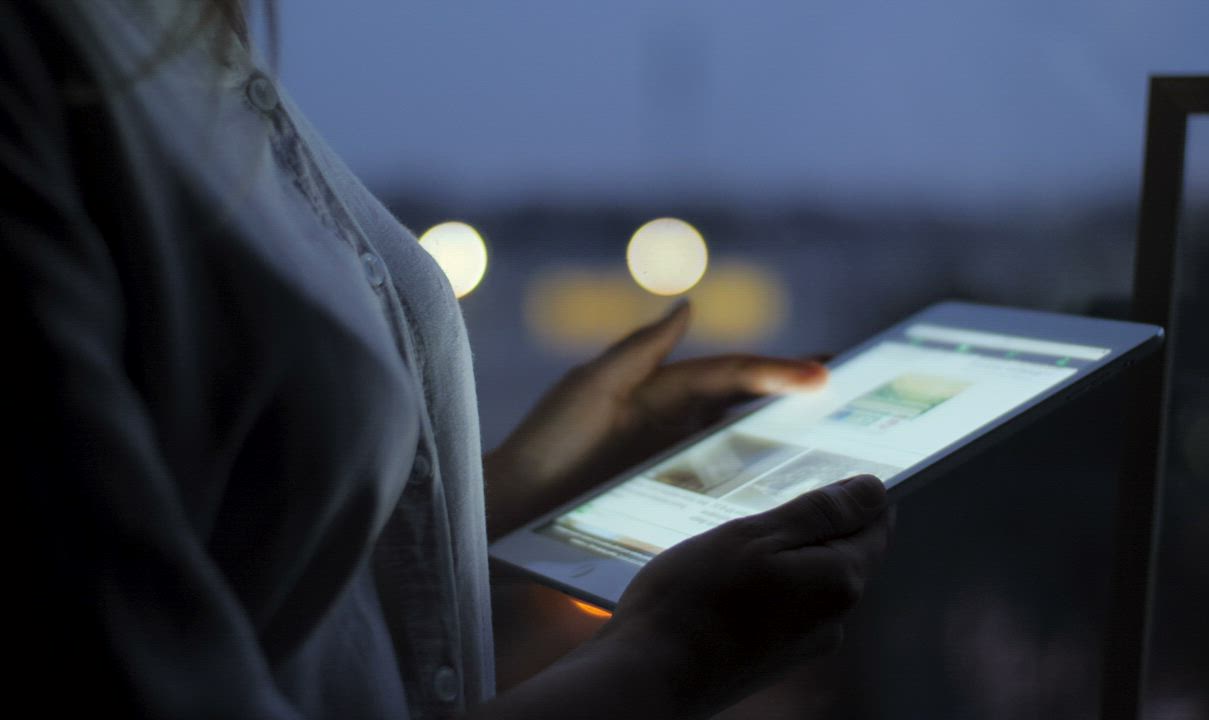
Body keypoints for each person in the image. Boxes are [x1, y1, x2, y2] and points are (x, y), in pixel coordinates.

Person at [4, 1, 891, 718]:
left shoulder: (195, 47)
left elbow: (257, 556)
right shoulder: (46, 61)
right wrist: (670, 659)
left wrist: (515, 485)